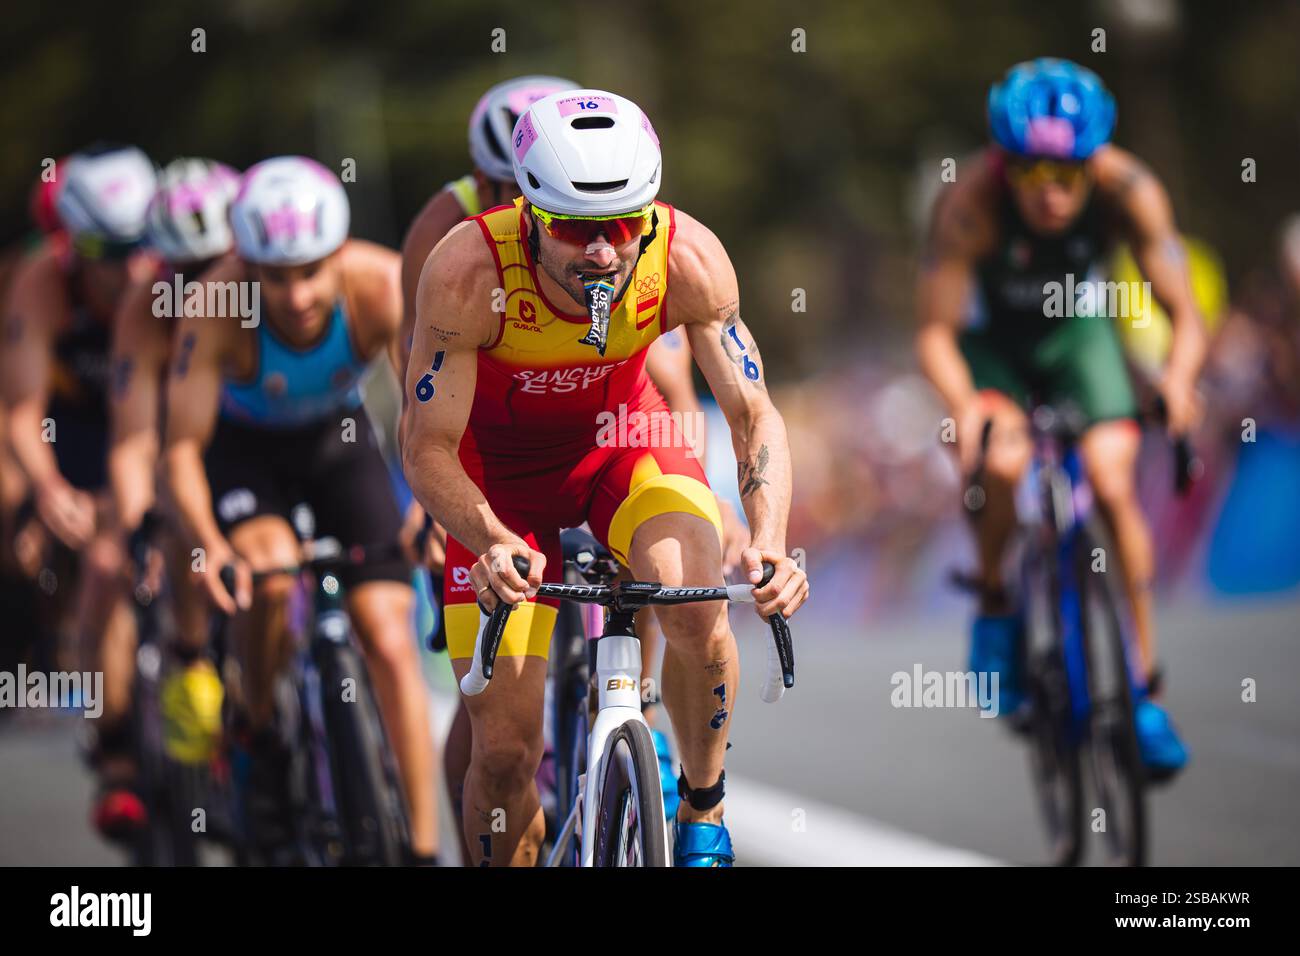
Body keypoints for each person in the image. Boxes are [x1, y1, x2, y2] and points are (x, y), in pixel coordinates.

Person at [403, 88, 807, 866]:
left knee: (693, 608)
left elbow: (754, 414)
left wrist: (771, 541)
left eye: (623, 225)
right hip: (496, 479)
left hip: (624, 443)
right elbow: (425, 444)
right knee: (505, 754)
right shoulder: (463, 268)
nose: (603, 252)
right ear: (528, 213)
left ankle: (702, 810)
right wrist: (485, 538)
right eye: (576, 229)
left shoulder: (685, 255)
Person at [915, 58, 1206, 773]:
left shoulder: (1130, 190)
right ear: (1003, 164)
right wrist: (965, 410)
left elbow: (1186, 313)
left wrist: (1179, 380)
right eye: (1031, 173)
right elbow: (934, 333)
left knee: (1111, 483)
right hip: (997, 349)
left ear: (1094, 164)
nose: (1050, 193)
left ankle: (1143, 692)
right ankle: (993, 601)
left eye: (1068, 174)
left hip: (1079, 333)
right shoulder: (969, 205)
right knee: (1003, 461)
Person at [160, 156, 439, 862]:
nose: (296, 294)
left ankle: (425, 849)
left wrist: (431, 505)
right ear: (245, 263)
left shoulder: (380, 285)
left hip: (336, 445)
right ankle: (257, 730)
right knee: (271, 572)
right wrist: (209, 544)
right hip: (245, 453)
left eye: (311, 271)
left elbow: (428, 410)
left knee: (390, 638)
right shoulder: (214, 304)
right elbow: (181, 449)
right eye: (274, 276)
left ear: (339, 254)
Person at [1, 144, 161, 834]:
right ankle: (116, 743)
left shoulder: (168, 278)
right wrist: (44, 491)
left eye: (138, 249)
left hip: (150, 424)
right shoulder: (41, 282)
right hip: (79, 433)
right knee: (103, 562)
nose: (127, 271)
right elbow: (19, 412)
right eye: (107, 253)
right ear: (72, 247)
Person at [106, 159, 242, 785]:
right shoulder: (146, 304)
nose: (205, 283)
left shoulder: (266, 280)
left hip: (256, 436)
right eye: (186, 272)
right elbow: (135, 437)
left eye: (216, 263)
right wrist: (143, 526)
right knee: (179, 529)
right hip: (183, 439)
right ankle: (191, 661)